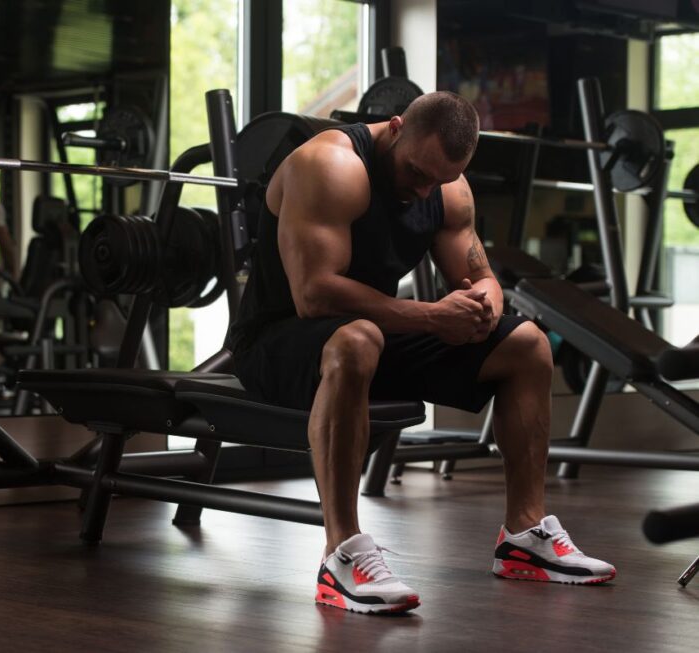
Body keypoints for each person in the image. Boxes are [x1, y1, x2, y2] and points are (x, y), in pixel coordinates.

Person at [226, 92, 615, 615]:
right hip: (279, 342)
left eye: (439, 179)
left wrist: (483, 307)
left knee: (527, 345)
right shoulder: (330, 165)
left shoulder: (447, 186)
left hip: (375, 337)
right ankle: (342, 553)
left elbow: (481, 276)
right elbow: (314, 295)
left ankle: (524, 538)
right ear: (395, 127)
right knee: (357, 338)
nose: (424, 189)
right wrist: (433, 317)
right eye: (416, 172)